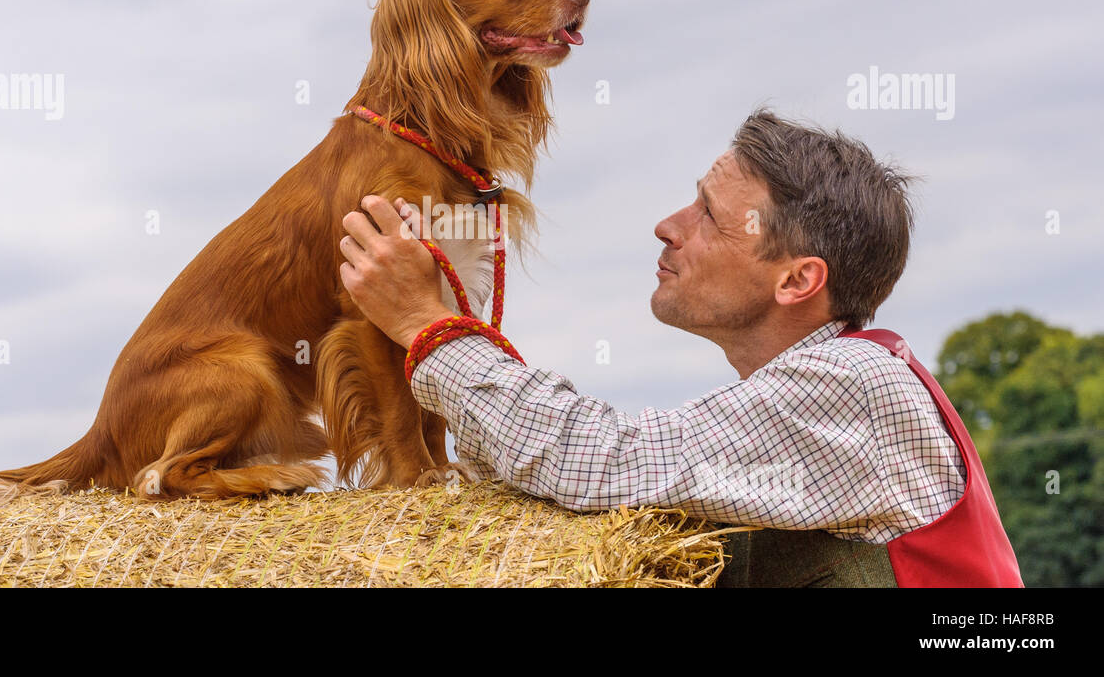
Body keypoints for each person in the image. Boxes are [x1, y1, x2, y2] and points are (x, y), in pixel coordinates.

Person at [337, 109, 1022, 588]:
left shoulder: (856, 383)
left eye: (708, 217)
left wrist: (428, 324)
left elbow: (599, 460)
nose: (668, 225)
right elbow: (579, 477)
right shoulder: (806, 397)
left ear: (797, 280)